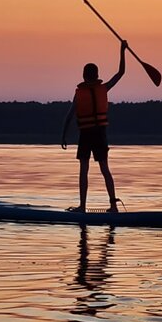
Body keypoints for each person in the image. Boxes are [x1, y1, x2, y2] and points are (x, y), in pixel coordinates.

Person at [61, 39, 128, 212]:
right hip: (99, 133)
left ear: (84, 76)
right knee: (105, 168)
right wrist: (122, 51)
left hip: (86, 134)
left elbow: (69, 116)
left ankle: (82, 206)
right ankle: (113, 206)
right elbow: (121, 73)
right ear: (97, 76)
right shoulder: (104, 88)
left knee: (84, 170)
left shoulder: (79, 94)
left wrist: (63, 136)